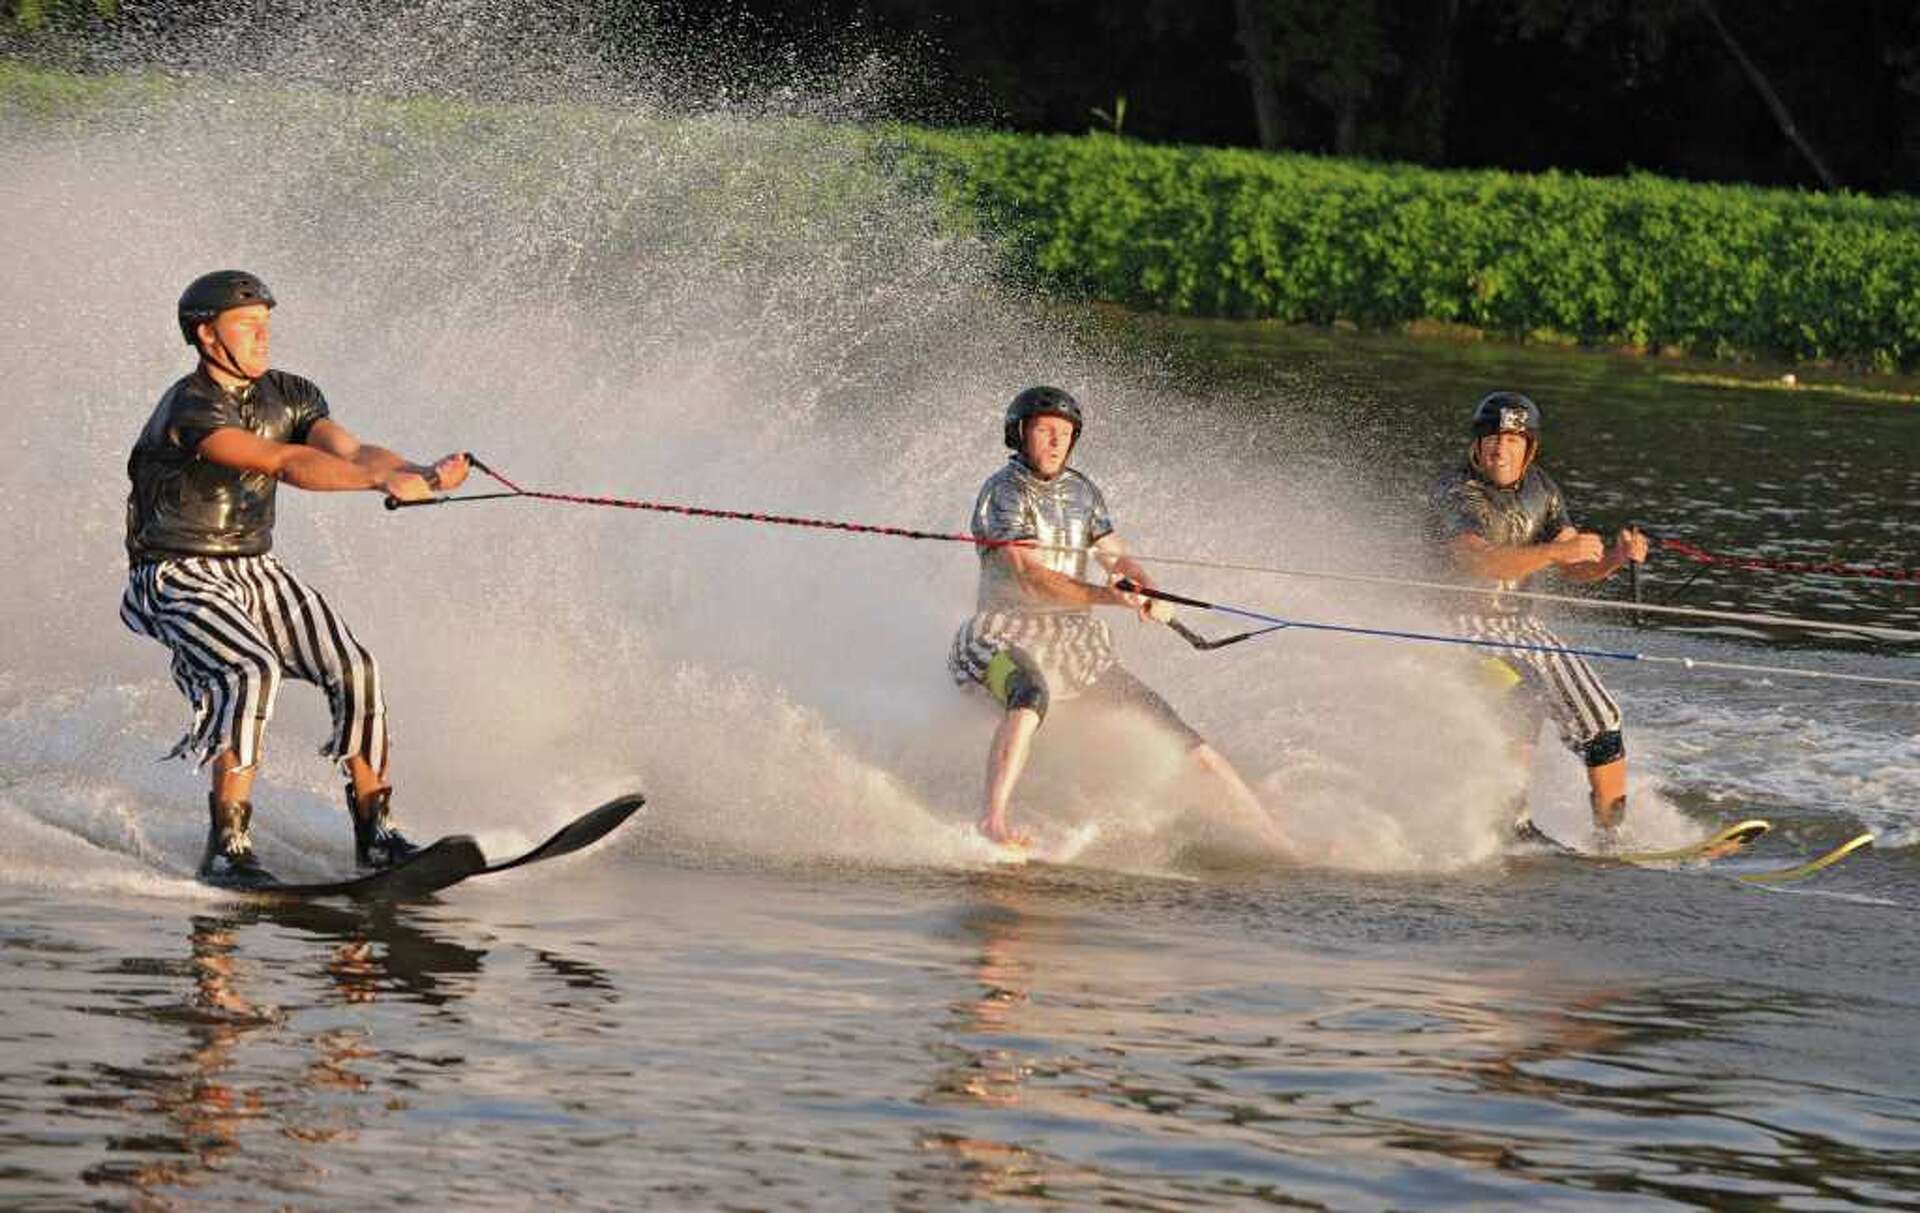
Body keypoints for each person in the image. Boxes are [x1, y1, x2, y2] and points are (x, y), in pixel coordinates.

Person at [120, 270, 470, 888]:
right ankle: (227, 848)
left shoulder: (291, 394)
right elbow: (282, 462)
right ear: (207, 335)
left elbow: (351, 453)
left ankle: (377, 836)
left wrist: (422, 473)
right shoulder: (191, 408)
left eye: (266, 324)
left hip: (255, 568)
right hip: (175, 573)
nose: (263, 336)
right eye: (247, 326)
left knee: (354, 667)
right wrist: (381, 482)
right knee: (249, 669)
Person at [948, 386, 1286, 851]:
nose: (1056, 441)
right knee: (1030, 693)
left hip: (1072, 647)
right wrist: (1112, 597)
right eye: (1044, 431)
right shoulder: (1003, 492)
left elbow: (1115, 556)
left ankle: (1275, 838)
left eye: (1065, 433)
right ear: (1019, 434)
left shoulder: (1082, 491)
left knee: (1170, 725)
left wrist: (1144, 588)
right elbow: (1031, 578)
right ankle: (993, 821)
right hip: (1000, 638)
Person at [1427, 391, 1649, 843]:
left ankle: (1611, 837)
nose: (1501, 449)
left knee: (1601, 718)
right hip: (1455, 627)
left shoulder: (1542, 490)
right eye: (1493, 438)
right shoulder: (1456, 493)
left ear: (1529, 448)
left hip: (1521, 627)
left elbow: (1576, 566)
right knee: (1521, 695)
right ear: (1477, 443)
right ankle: (1513, 826)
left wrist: (1614, 558)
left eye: (1513, 439)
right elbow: (1482, 562)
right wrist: (1553, 552)